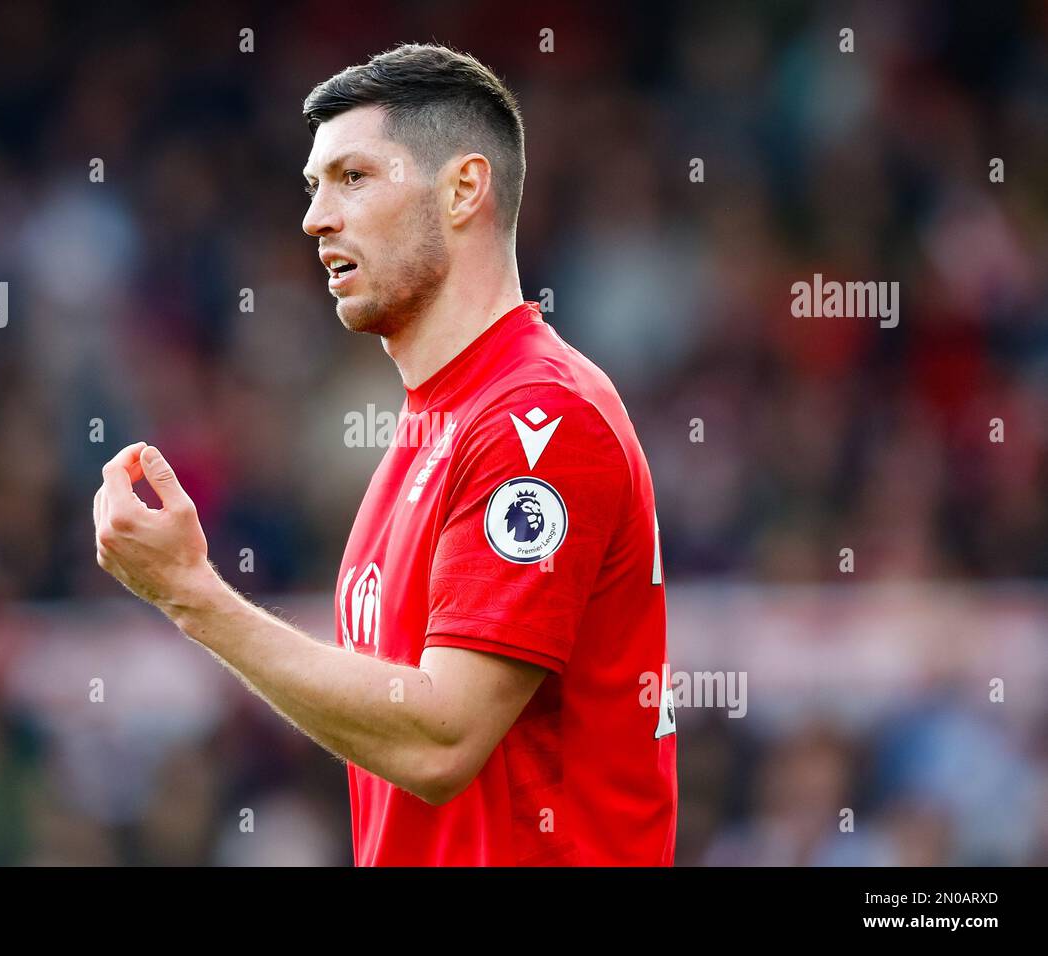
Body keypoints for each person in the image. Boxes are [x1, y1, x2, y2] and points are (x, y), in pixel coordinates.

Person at [93, 43, 676, 866]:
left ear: (464, 189)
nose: (315, 218)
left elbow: (441, 741)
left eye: (354, 178)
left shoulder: (536, 418)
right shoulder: (431, 431)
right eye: (313, 187)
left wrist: (195, 597)